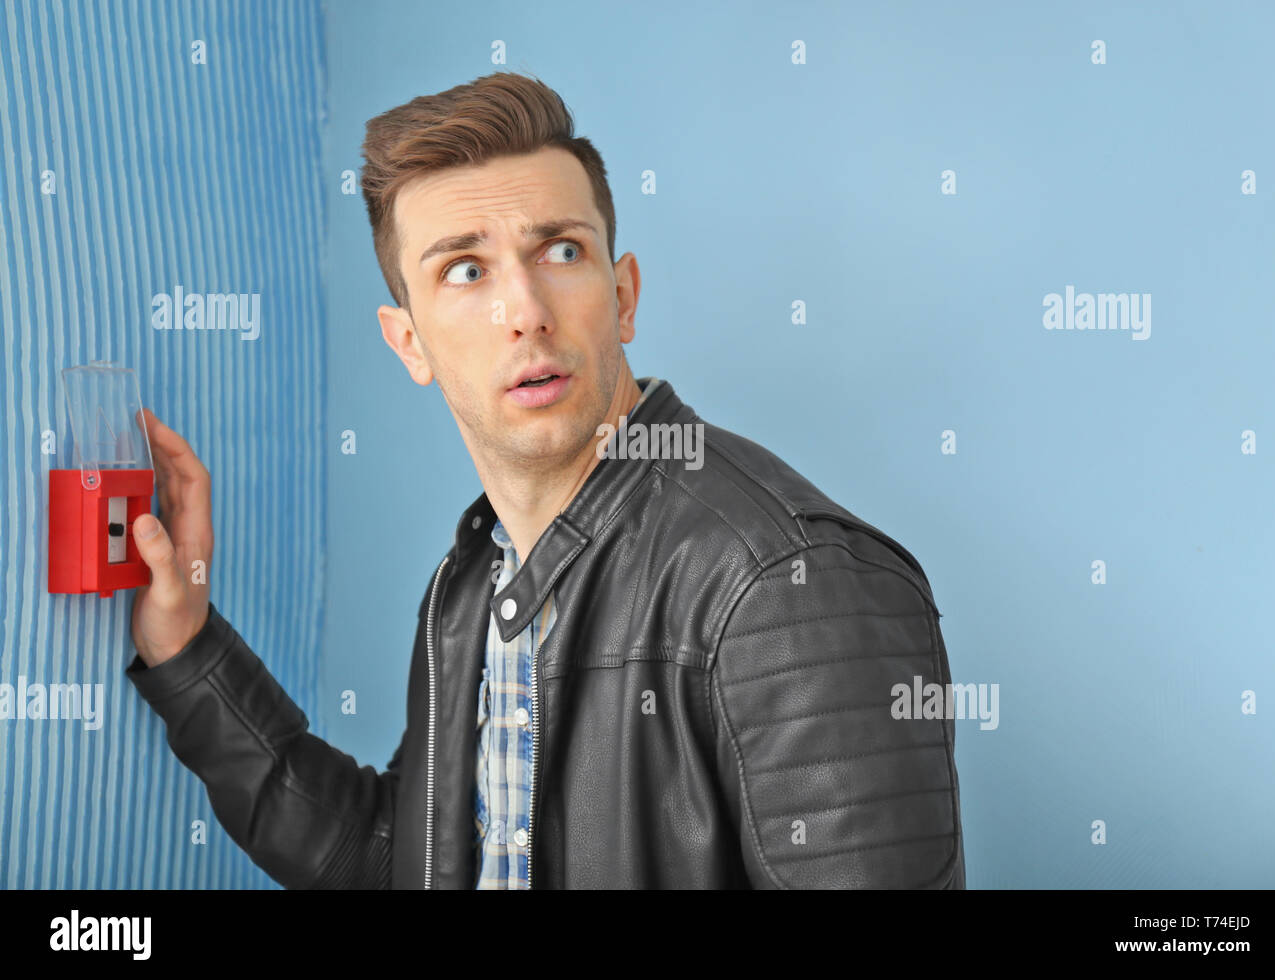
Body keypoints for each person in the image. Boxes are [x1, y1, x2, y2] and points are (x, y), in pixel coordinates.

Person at [126, 71, 966, 889]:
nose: (523, 309)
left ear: (623, 293)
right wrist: (187, 648)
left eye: (560, 251)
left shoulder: (785, 584)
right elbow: (407, 861)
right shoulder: (476, 581)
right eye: (465, 269)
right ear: (407, 342)